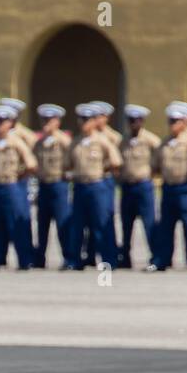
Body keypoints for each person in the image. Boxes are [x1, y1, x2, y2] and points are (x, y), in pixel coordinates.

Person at [147, 101, 187, 272]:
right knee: (166, 226)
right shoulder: (165, 142)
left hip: (186, 188)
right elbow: (155, 164)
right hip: (168, 188)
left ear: (186, 121)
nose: (172, 124)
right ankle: (162, 260)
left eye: (176, 121)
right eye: (171, 121)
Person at [64, 103, 120, 271]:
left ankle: (108, 260)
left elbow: (116, 162)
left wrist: (102, 172)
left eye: (87, 119)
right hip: (80, 186)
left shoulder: (102, 140)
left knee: (102, 224)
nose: (84, 123)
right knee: (77, 225)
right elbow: (68, 164)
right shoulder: (76, 141)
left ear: (95, 121)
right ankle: (74, 260)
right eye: (82, 119)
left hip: (98, 185)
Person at [0, 104, 37, 270]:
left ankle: (24, 260)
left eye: (4, 121)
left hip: (12, 185)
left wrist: (20, 177)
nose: (1, 125)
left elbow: (31, 164)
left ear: (11, 123)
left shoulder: (17, 142)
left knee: (17, 225)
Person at [117, 104, 160, 270]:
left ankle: (155, 257)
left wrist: (155, 172)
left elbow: (162, 156)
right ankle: (125, 257)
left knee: (149, 223)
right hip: (127, 186)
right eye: (131, 120)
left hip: (144, 186)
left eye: (137, 120)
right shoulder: (124, 140)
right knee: (126, 225)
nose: (134, 123)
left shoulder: (150, 140)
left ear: (142, 121)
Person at [32, 103, 71, 269]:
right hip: (43, 185)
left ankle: (68, 258)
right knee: (42, 225)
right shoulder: (39, 142)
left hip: (58, 184)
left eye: (50, 119)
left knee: (63, 223)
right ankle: (39, 259)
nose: (46, 123)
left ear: (58, 121)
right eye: (44, 119)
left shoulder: (64, 141)